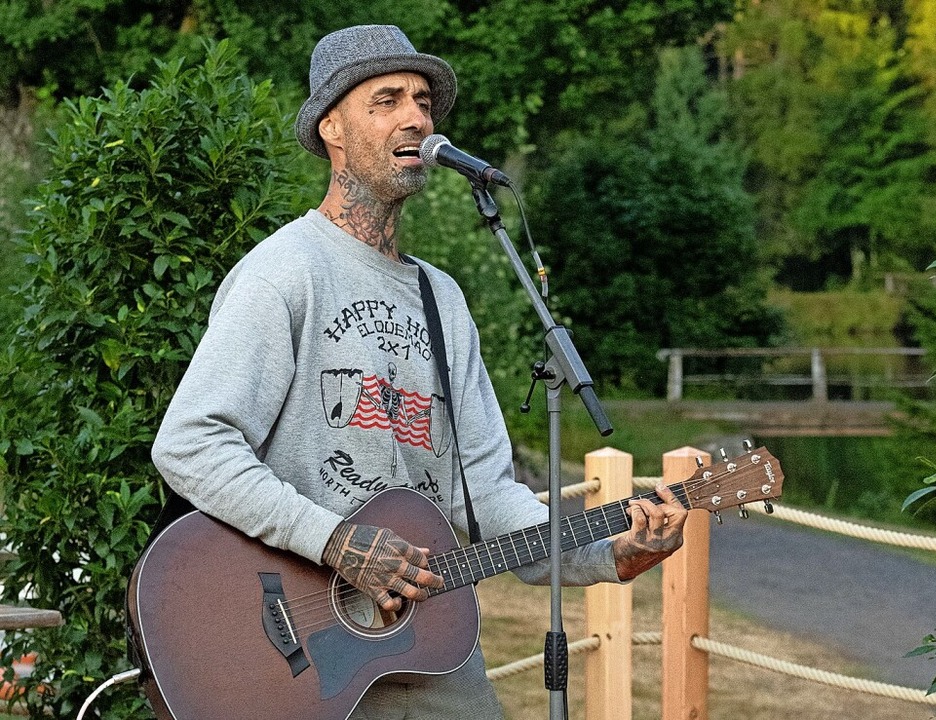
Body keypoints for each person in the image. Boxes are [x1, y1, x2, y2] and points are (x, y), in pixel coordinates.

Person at [151, 24, 688, 719]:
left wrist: (613, 551)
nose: (416, 117)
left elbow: (492, 502)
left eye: (424, 101)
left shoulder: (443, 298)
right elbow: (190, 444)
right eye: (387, 100)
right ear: (332, 128)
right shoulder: (285, 273)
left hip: (431, 649)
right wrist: (337, 543)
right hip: (307, 661)